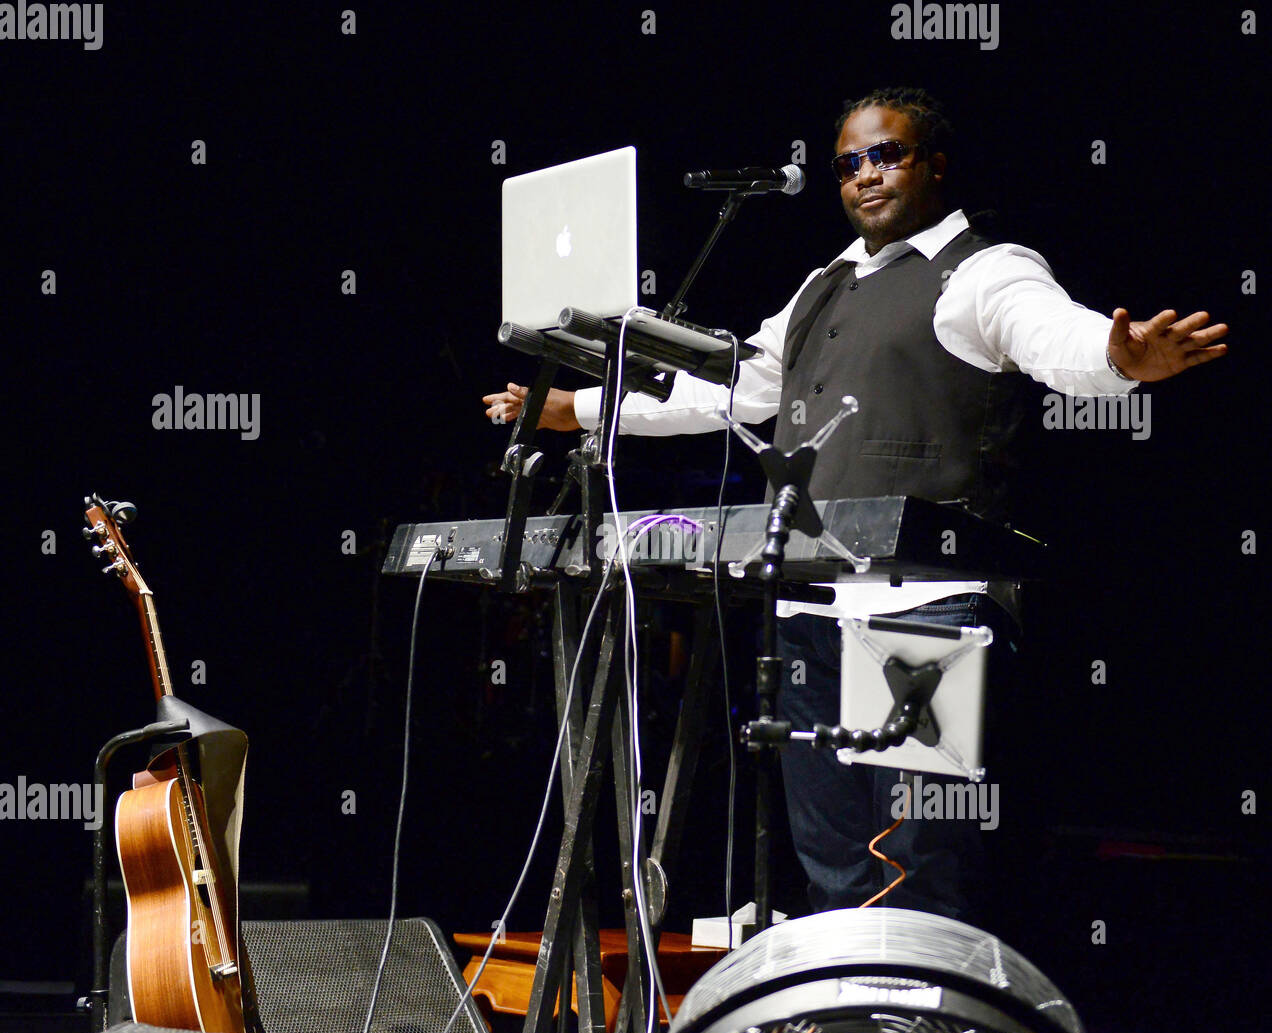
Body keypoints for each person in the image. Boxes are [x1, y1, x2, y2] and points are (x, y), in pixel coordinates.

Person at [482, 86, 1228, 927]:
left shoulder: (986, 270)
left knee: (920, 850)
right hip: (810, 608)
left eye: (888, 154)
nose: (866, 175)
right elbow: (732, 388)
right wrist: (575, 409)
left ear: (935, 165)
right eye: (849, 163)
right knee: (831, 851)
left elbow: (1058, 337)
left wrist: (1119, 359)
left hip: (925, 608)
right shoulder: (822, 286)